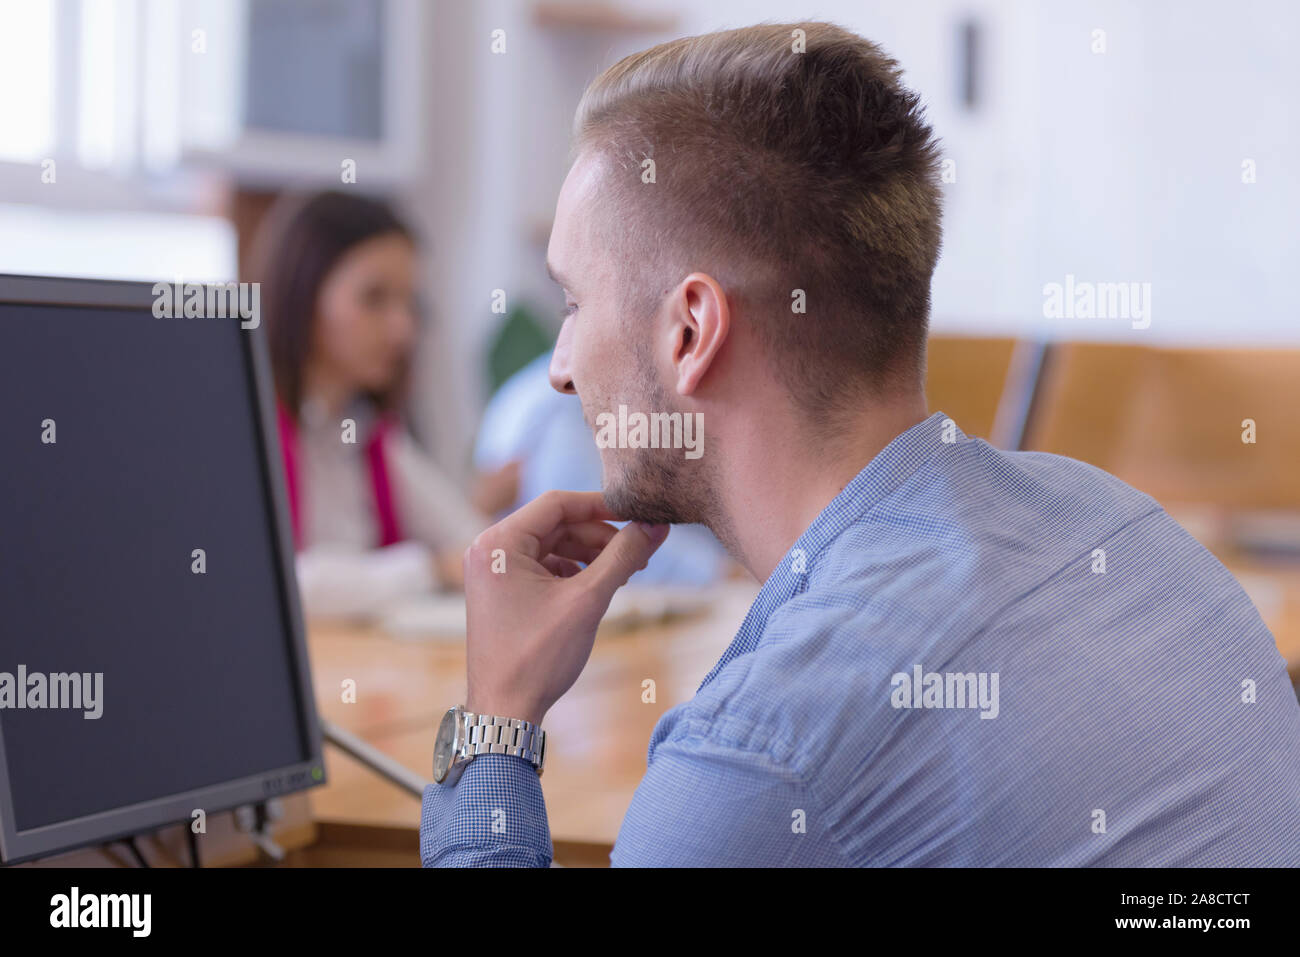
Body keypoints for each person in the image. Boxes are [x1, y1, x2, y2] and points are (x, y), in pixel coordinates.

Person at [421, 22, 1300, 865]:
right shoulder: (1121, 525)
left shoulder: (768, 747)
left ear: (691, 330)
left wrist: (497, 716)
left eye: (573, 304)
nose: (559, 369)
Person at [249, 191, 501, 619]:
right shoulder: (247, 429)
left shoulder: (370, 434)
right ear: (303, 293)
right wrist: (428, 569)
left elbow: (474, 546)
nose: (403, 329)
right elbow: (273, 584)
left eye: (409, 303)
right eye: (374, 298)